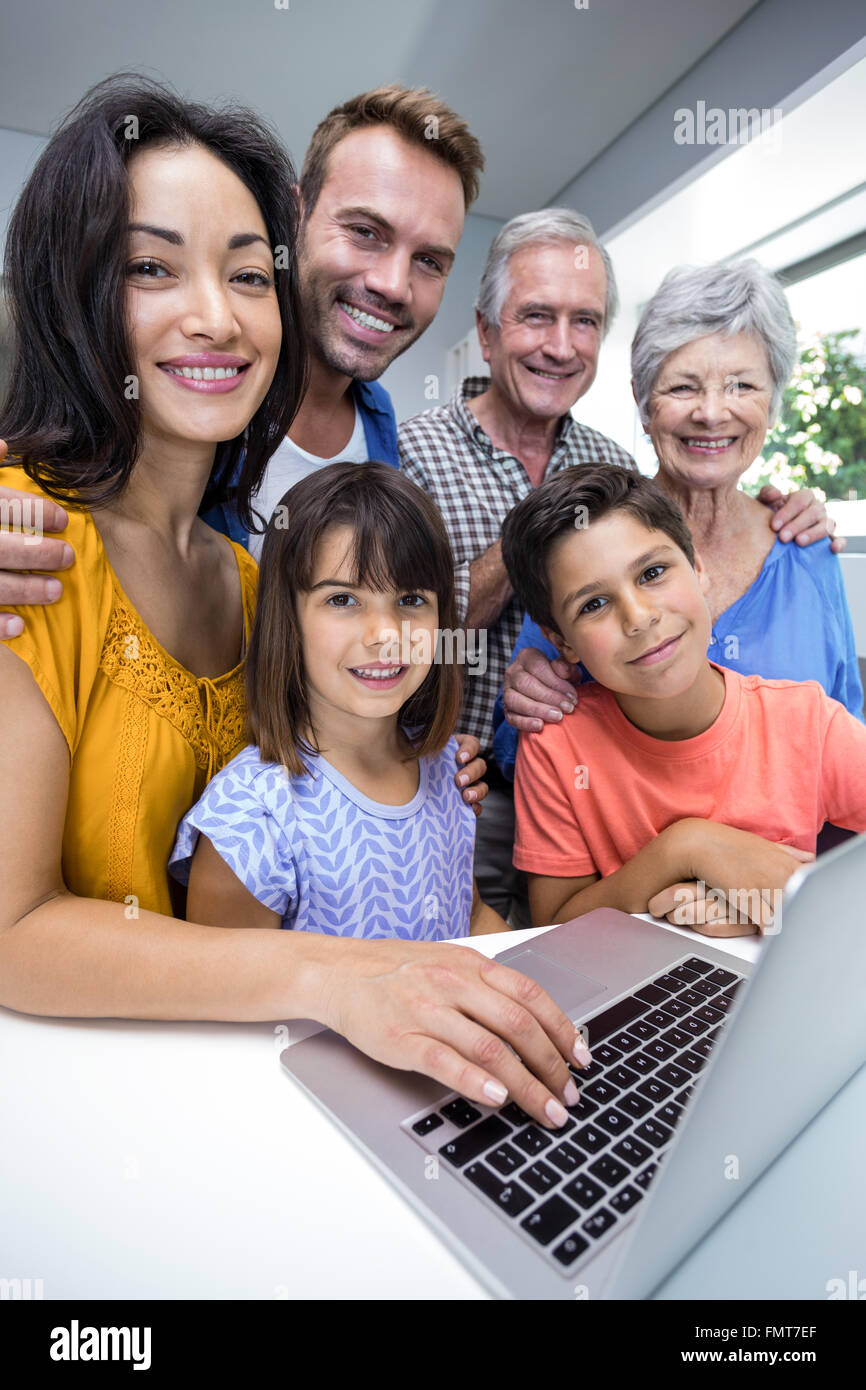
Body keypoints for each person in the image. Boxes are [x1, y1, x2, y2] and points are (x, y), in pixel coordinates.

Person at [0, 76, 588, 1134]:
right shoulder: (23, 544)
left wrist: (410, 743)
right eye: (148, 267)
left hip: (259, 1096)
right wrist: (338, 977)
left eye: (242, 275)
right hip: (76, 1114)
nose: (214, 316)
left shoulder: (248, 578)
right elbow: (14, 927)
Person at [0, 80, 490, 810]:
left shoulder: (388, 445)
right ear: (296, 215)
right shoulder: (44, 524)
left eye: (430, 260)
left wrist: (409, 764)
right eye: (366, 231)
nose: (391, 283)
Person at [399, 217, 837, 922]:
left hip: (774, 900)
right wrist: (541, 534)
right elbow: (405, 638)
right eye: (683, 387)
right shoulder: (430, 460)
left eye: (585, 322)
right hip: (516, 827)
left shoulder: (791, 540)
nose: (712, 412)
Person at [496, 257, 861, 782]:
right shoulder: (584, 541)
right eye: (684, 387)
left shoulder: (807, 549)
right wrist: (529, 698)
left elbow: (849, 732)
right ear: (644, 405)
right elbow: (522, 752)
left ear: (773, 405)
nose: (712, 413)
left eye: (742, 386)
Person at [499, 464, 866, 933]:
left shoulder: (808, 723)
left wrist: (785, 898)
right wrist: (688, 848)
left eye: (652, 573)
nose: (639, 618)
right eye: (593, 604)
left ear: (698, 571)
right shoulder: (556, 745)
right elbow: (555, 925)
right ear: (561, 641)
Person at [170, 462, 507, 938]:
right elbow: (230, 1000)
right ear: (288, 620)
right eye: (343, 600)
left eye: (411, 600)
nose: (386, 635)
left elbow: (470, 919)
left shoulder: (450, 770)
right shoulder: (250, 822)